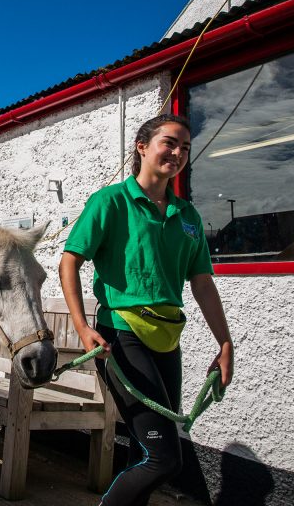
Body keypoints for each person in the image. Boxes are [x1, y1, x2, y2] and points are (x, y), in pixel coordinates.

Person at [58, 114, 234, 506]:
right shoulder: (111, 201)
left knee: (145, 451)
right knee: (164, 459)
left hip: (168, 339)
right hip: (121, 335)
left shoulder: (187, 216)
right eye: (169, 143)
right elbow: (69, 261)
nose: (178, 152)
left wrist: (225, 344)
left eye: (185, 147)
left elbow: (202, 283)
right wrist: (83, 327)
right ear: (142, 147)